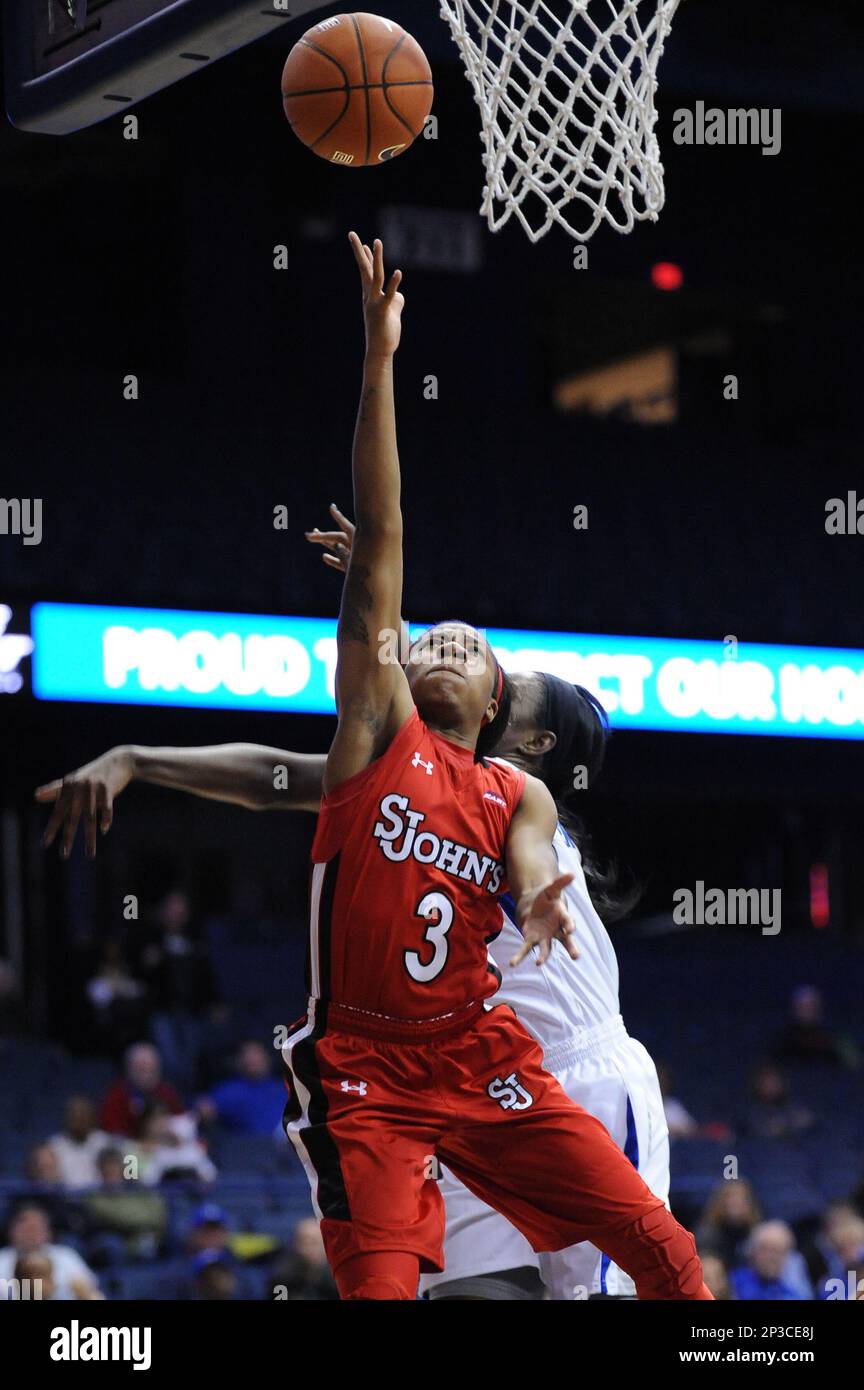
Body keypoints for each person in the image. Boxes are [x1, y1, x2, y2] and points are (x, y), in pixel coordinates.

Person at [36, 236, 711, 1303]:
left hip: (567, 1076)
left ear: (522, 732)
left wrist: (534, 882)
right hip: (441, 1084)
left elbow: (519, 839)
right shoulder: (405, 761)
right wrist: (140, 754)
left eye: (500, 667)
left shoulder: (522, 798)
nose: (471, 646)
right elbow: (283, 770)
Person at [0, 1204, 102, 1300]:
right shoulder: (2, 1259)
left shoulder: (65, 1255)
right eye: (26, 1229)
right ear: (12, 1231)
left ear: (47, 1232)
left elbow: (89, 1287)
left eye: (35, 1229)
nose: (30, 1235)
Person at [197, 1040, 286, 1136]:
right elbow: (204, 1108)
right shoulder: (230, 1090)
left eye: (256, 1055)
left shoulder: (282, 1088)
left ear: (267, 1058)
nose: (252, 1060)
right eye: (248, 1056)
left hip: (285, 1145)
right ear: (239, 1061)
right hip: (247, 1146)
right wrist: (203, 1110)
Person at [99, 1042, 184, 1138]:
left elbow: (180, 1124)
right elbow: (111, 1132)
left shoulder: (167, 1093)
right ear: (129, 1069)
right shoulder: (115, 1097)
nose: (146, 1076)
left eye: (151, 1070)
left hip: (163, 1147)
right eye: (141, 1070)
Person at [729, 1221, 812, 1300]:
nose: (772, 1258)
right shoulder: (734, 1283)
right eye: (766, 1250)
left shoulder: (790, 1292)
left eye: (778, 1252)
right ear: (752, 1252)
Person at [48, 1096, 112, 1191]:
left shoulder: (104, 1142)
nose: (78, 1120)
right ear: (67, 1117)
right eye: (73, 1115)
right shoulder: (54, 1145)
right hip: (65, 1199)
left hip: (99, 1198)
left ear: (91, 1117)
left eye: (82, 1115)